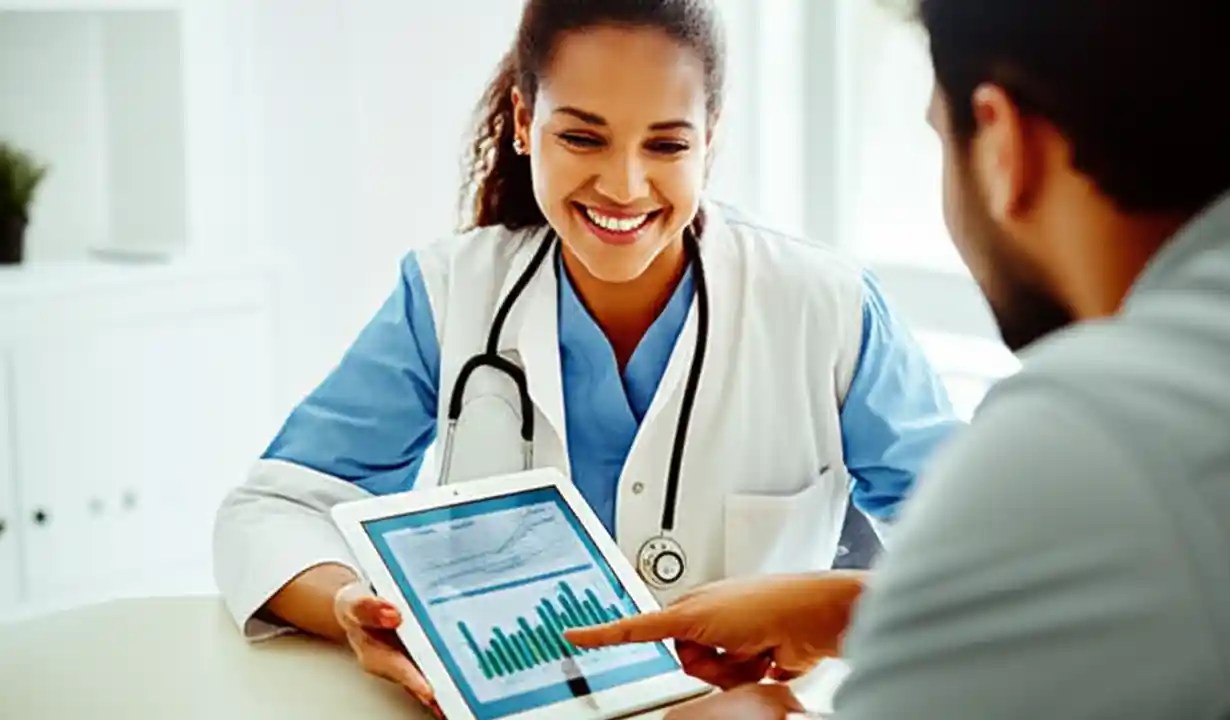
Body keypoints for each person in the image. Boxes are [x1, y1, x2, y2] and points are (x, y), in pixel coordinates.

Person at [211, 0, 961, 710]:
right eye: (581, 137)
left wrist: (828, 608)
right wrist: (350, 603)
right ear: (522, 121)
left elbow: (987, 559)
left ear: (713, 136)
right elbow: (275, 507)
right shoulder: (449, 294)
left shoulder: (824, 308)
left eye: (666, 144)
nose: (624, 185)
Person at [565, 0, 1230, 718]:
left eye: (938, 136)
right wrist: (854, 609)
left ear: (1001, 142)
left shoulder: (1086, 438)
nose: (624, 183)